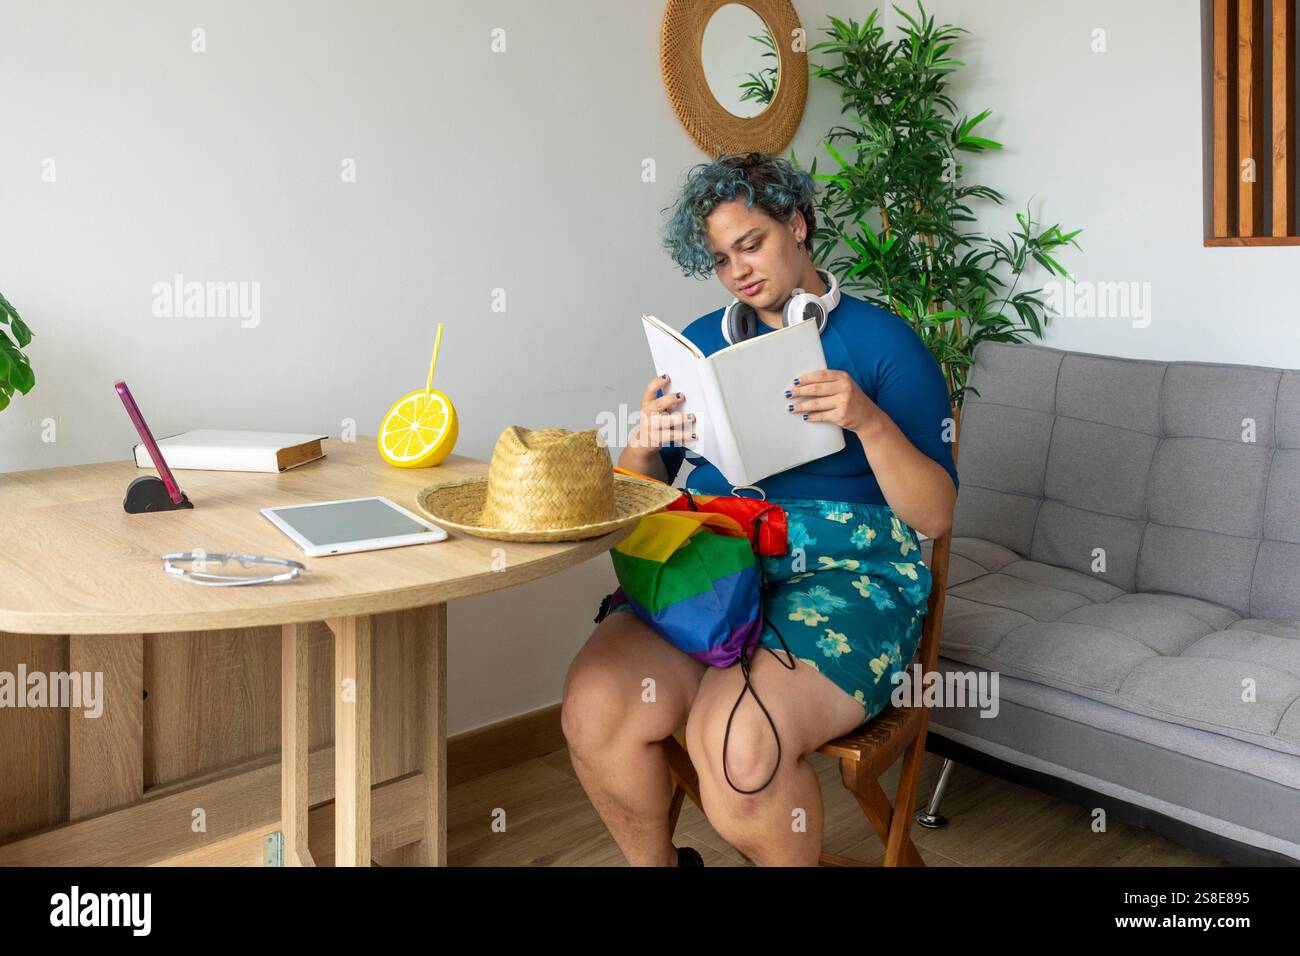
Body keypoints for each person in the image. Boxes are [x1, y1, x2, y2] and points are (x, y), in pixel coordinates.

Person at [561, 152, 958, 867]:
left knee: (741, 748)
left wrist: (867, 421)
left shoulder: (881, 342)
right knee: (596, 704)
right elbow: (632, 503)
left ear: (797, 225)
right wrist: (645, 448)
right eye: (720, 258)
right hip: (715, 570)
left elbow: (934, 516)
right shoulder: (702, 345)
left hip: (846, 581)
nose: (739, 269)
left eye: (752, 243)